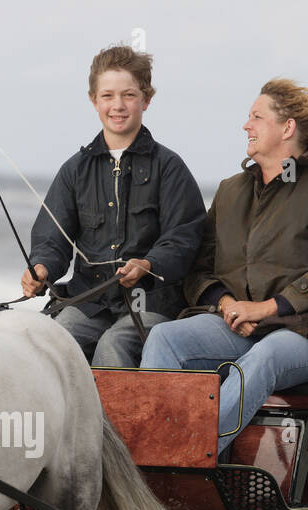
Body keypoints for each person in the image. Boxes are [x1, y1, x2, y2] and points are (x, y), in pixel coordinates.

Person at [141, 79, 308, 454]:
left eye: (256, 117)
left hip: (307, 335)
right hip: (235, 324)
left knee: (263, 357)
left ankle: (189, 455)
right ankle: (151, 452)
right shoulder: (231, 190)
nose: (246, 126)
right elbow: (200, 267)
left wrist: (268, 308)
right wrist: (226, 304)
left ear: (287, 127)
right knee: (165, 338)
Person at [20, 44, 205, 368]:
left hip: (152, 302)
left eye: (128, 95)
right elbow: (53, 239)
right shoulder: (75, 170)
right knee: (51, 341)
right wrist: (41, 269)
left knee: (113, 346)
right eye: (107, 96)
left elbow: (183, 239)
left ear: (146, 99)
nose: (117, 106)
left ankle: (111, 423)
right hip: (88, 300)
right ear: (94, 100)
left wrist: (148, 264)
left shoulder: (170, 167)